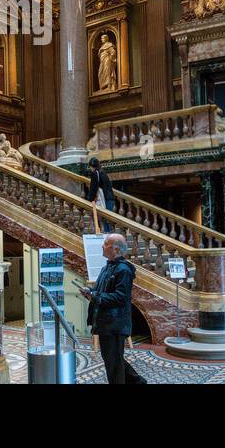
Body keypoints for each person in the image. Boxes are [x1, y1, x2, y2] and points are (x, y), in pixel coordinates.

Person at [81, 233, 146, 384]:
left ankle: (137, 381)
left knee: (114, 364)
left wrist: (95, 296)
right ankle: (138, 382)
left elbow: (121, 298)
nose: (102, 246)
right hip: (105, 322)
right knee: (113, 359)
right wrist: (90, 294)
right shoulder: (107, 267)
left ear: (115, 249)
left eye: (105, 244)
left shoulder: (124, 270)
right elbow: (101, 292)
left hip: (115, 324)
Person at [84, 157, 115, 232]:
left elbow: (93, 188)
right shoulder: (103, 172)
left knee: (105, 219)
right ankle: (109, 236)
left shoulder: (95, 174)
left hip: (104, 199)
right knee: (107, 220)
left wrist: (90, 199)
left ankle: (108, 237)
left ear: (91, 166)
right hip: (110, 198)